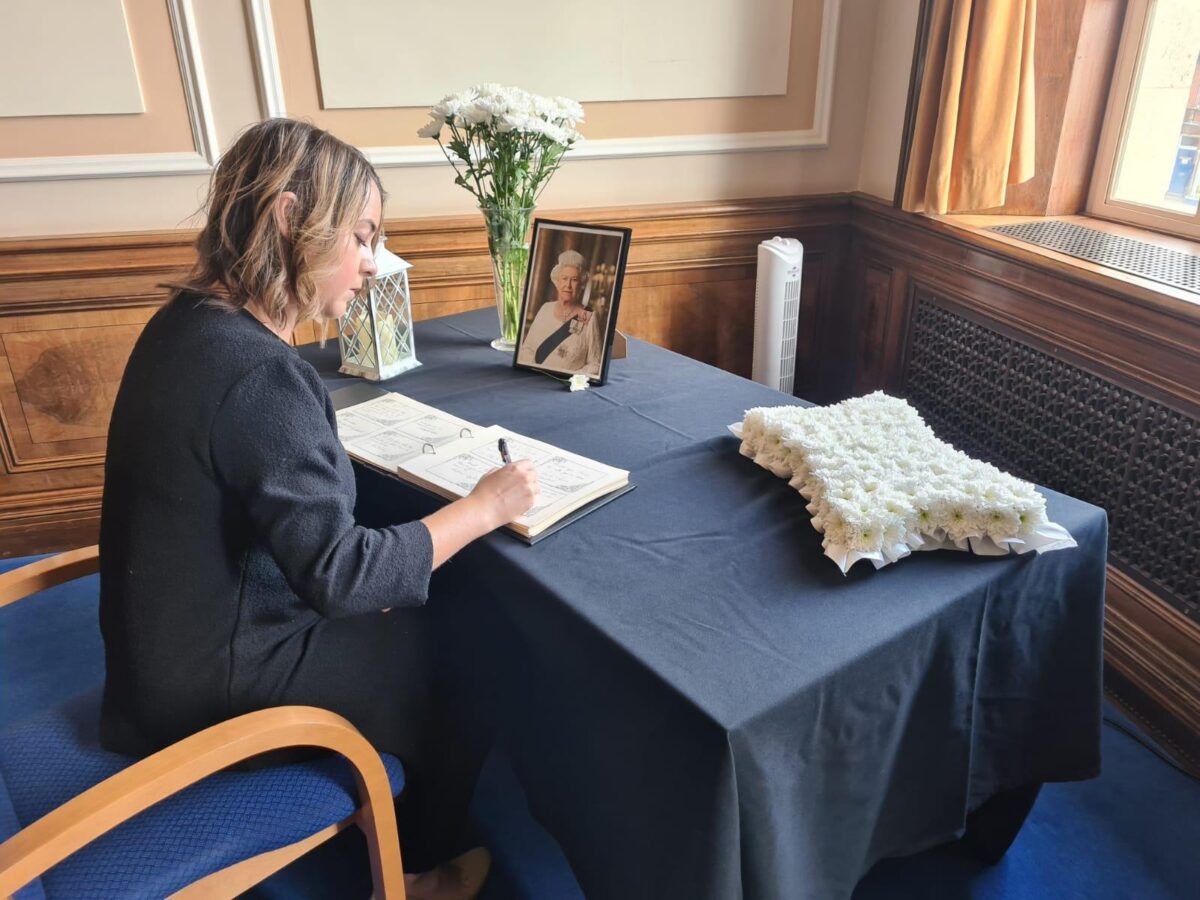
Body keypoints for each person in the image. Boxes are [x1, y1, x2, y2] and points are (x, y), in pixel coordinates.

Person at [98, 118, 538, 900]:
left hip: (154, 661)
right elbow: (341, 578)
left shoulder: (182, 325)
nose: (373, 264)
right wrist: (484, 506)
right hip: (208, 688)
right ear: (290, 218)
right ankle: (414, 873)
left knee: (409, 608)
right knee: (470, 651)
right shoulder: (260, 374)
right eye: (362, 238)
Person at [516, 249, 604, 376]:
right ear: (557, 282)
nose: (568, 285)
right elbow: (527, 348)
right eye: (564, 278)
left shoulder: (588, 317)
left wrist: (569, 378)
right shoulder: (545, 309)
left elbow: (595, 364)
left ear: (581, 284)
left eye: (574, 280)